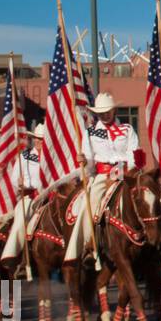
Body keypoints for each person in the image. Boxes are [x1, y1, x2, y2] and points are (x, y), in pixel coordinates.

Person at [64, 93, 137, 265]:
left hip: (125, 173)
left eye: (108, 111)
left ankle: (160, 244)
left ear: (114, 110)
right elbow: (90, 163)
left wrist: (128, 172)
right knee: (89, 203)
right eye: (102, 112)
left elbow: (133, 153)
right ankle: (90, 244)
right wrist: (84, 162)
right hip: (102, 175)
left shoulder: (127, 129)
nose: (105, 115)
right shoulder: (90, 132)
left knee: (149, 200)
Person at [0, 123, 45, 260]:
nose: (37, 141)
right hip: (31, 197)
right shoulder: (25, 156)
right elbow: (14, 179)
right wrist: (22, 184)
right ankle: (13, 255)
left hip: (49, 196)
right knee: (21, 218)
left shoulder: (52, 156)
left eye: (41, 139)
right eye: (36, 138)